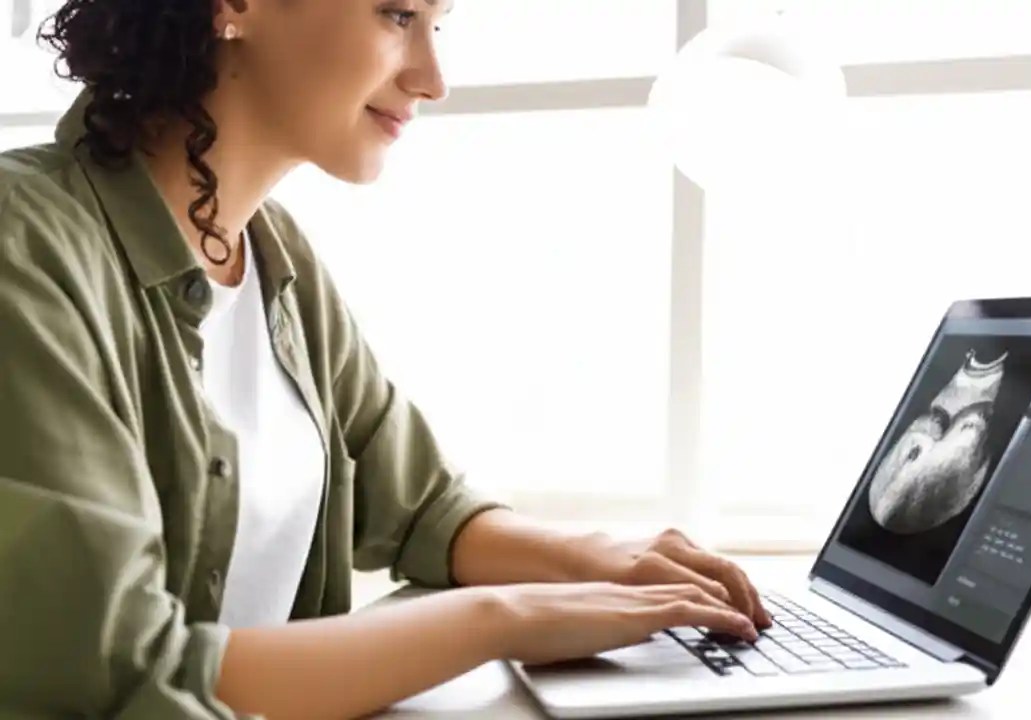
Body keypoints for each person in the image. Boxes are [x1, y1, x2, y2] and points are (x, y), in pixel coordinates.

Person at [0, 2, 771, 718]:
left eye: (438, 23)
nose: (431, 78)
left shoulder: (273, 255)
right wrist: (502, 618)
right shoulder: (23, 248)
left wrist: (610, 562)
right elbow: (121, 669)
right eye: (398, 13)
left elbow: (421, 510)